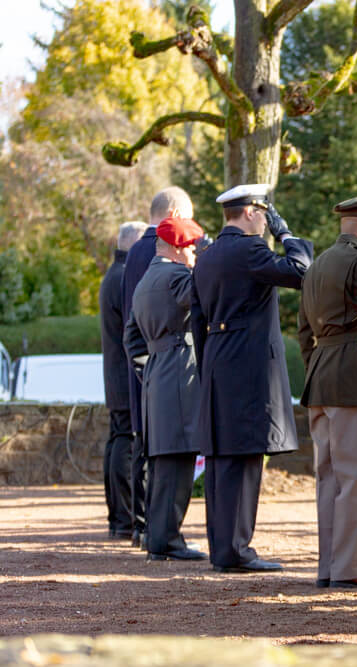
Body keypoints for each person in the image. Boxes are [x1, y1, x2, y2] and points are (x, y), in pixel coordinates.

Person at [191, 184, 313, 573]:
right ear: (249, 213)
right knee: (243, 458)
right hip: (246, 361)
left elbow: (196, 319)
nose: (266, 219)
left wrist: (209, 357)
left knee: (223, 456)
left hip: (217, 356)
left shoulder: (207, 256)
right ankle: (236, 550)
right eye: (264, 213)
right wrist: (288, 235)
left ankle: (223, 547)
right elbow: (300, 271)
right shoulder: (249, 249)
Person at [297, 194, 357, 589]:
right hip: (354, 377)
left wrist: (319, 366)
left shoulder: (316, 265)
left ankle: (330, 566)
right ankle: (353, 568)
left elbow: (305, 333)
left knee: (330, 479)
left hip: (320, 377)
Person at [123, 217, 208, 561]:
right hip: (178, 375)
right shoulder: (176, 278)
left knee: (161, 463)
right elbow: (205, 302)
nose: (194, 255)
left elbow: (131, 340)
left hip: (159, 376)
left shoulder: (145, 280)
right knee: (177, 461)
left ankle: (159, 538)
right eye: (191, 248)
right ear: (175, 248)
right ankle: (168, 541)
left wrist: (152, 372)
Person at [99, 221, 147, 539]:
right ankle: (124, 518)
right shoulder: (122, 278)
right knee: (126, 443)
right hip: (123, 374)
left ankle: (119, 517)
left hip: (115, 374)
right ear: (133, 244)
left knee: (117, 440)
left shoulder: (112, 274)